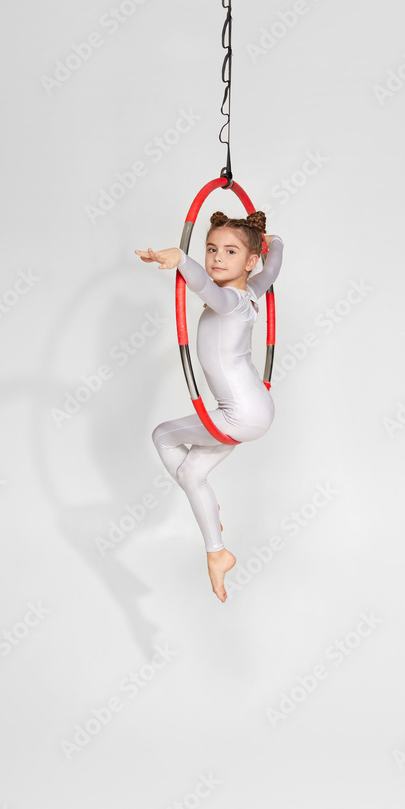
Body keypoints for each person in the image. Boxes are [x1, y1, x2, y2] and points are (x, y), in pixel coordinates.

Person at [135, 210, 284, 602]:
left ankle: (202, 507)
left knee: (162, 435)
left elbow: (205, 287)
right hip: (254, 409)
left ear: (249, 261)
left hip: (239, 415)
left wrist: (183, 261)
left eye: (230, 251)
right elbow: (274, 268)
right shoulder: (254, 289)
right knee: (192, 473)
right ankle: (216, 551)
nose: (218, 257)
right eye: (211, 248)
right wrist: (275, 243)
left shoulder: (230, 301)